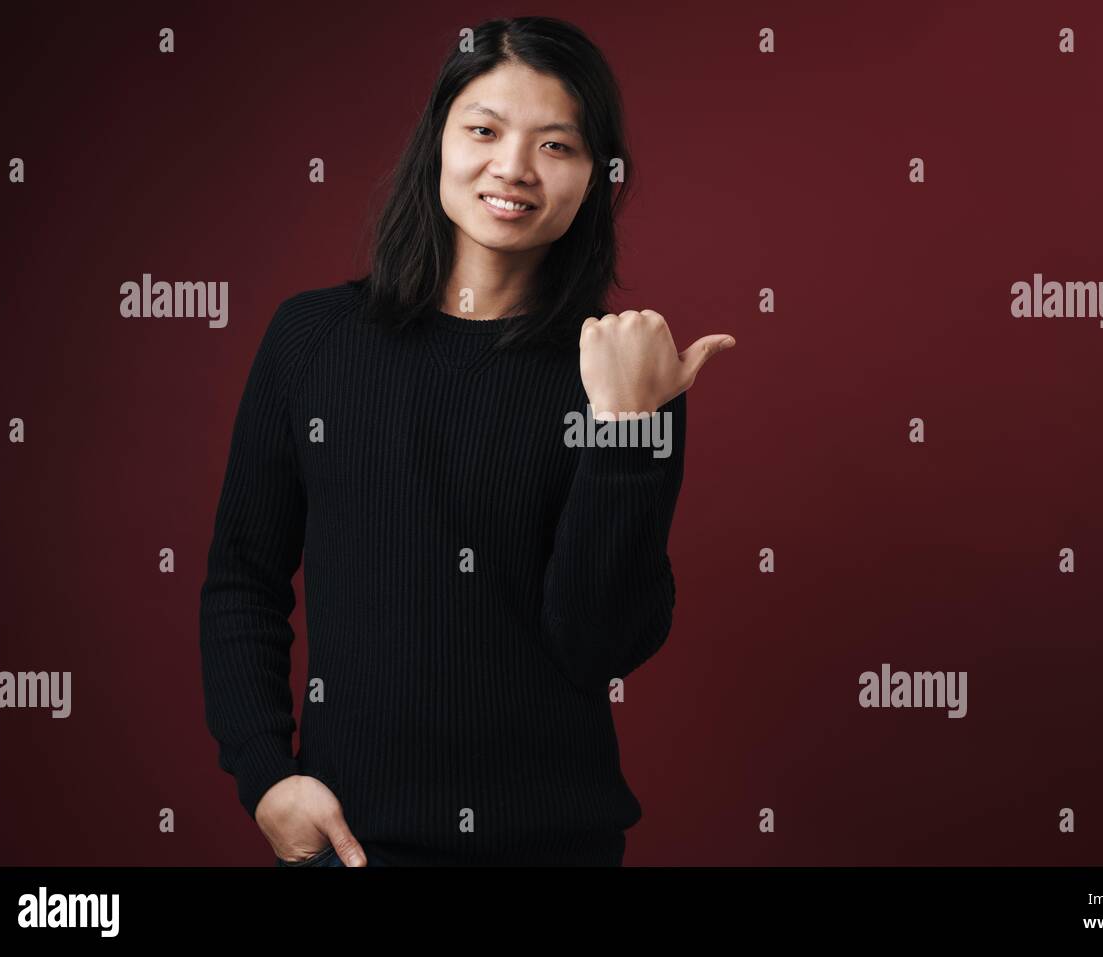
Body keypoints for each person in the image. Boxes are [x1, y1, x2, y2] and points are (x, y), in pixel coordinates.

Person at [199, 16, 735, 868]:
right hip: (354, 845)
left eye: (556, 144)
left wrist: (626, 430)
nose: (513, 168)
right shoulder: (312, 339)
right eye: (483, 129)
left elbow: (602, 641)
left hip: (557, 846)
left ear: (598, 176)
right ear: (437, 141)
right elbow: (242, 577)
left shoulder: (626, 369)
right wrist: (266, 776)